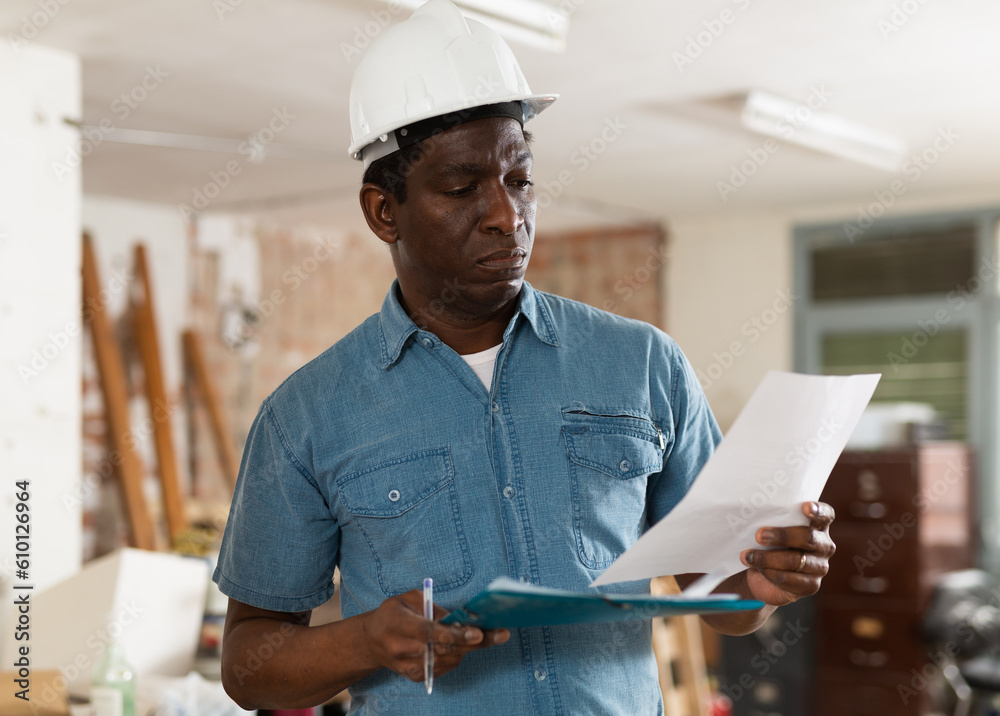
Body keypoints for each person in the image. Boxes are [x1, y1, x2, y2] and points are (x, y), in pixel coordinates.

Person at [212, 1, 836, 713]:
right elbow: (247, 667)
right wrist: (365, 642)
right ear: (384, 212)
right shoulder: (305, 416)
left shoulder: (643, 365)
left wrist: (764, 581)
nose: (507, 216)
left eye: (519, 179)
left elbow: (725, 599)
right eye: (461, 189)